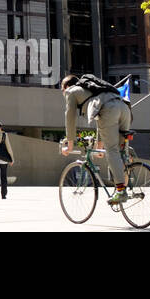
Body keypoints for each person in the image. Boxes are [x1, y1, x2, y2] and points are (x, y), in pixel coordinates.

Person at [60, 73, 132, 205]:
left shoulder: (71, 91)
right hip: (124, 107)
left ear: (67, 86)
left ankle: (121, 191)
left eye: (62, 89)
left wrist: (70, 144)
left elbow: (69, 117)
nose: (63, 93)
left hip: (109, 110)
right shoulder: (94, 89)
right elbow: (100, 119)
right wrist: (99, 146)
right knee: (120, 150)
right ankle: (125, 182)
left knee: (112, 150)